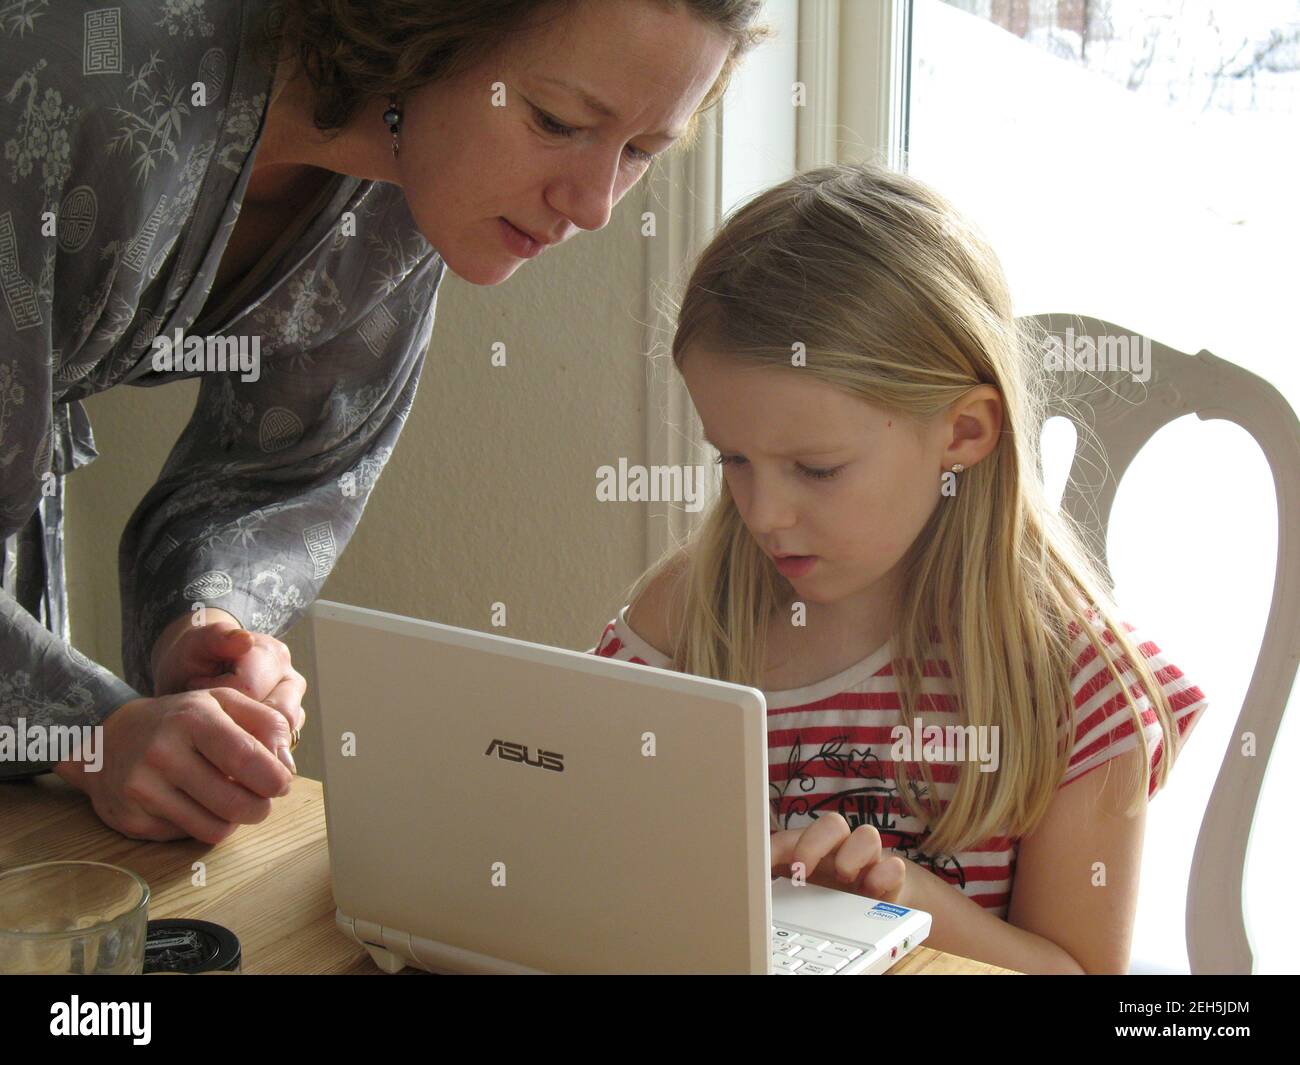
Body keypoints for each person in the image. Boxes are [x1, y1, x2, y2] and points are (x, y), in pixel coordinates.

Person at [0, 0, 767, 844]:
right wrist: (84, 728)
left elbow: (272, 474)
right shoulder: (79, 62)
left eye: (641, 152)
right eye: (558, 121)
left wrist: (204, 622)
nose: (594, 205)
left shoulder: (407, 194)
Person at [591, 161, 1210, 974]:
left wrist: (904, 906)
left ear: (963, 433)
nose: (764, 512)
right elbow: (587, 863)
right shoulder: (687, 616)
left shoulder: (1077, 687)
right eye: (732, 458)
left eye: (815, 469)